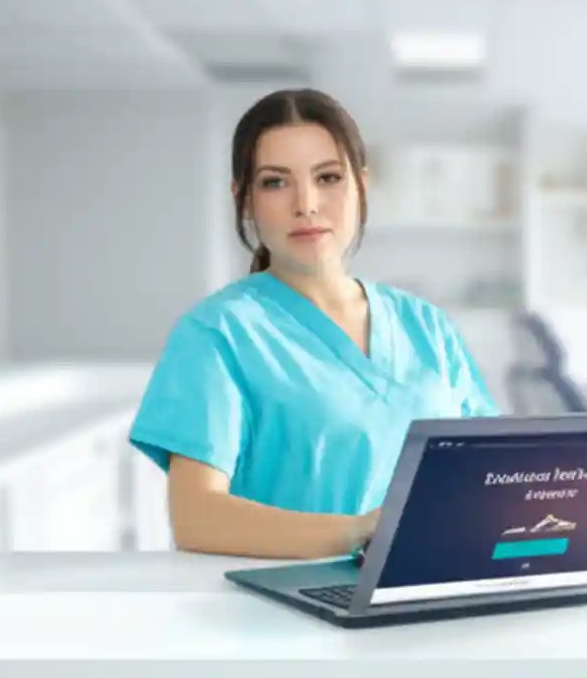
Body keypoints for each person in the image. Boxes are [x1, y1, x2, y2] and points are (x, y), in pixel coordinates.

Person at [128, 88, 498, 560]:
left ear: (361, 186)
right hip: (282, 613)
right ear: (243, 199)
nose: (306, 203)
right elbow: (197, 517)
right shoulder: (218, 334)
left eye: (327, 177)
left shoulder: (425, 325)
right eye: (275, 183)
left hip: (432, 594)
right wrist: (362, 533)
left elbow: (490, 470)